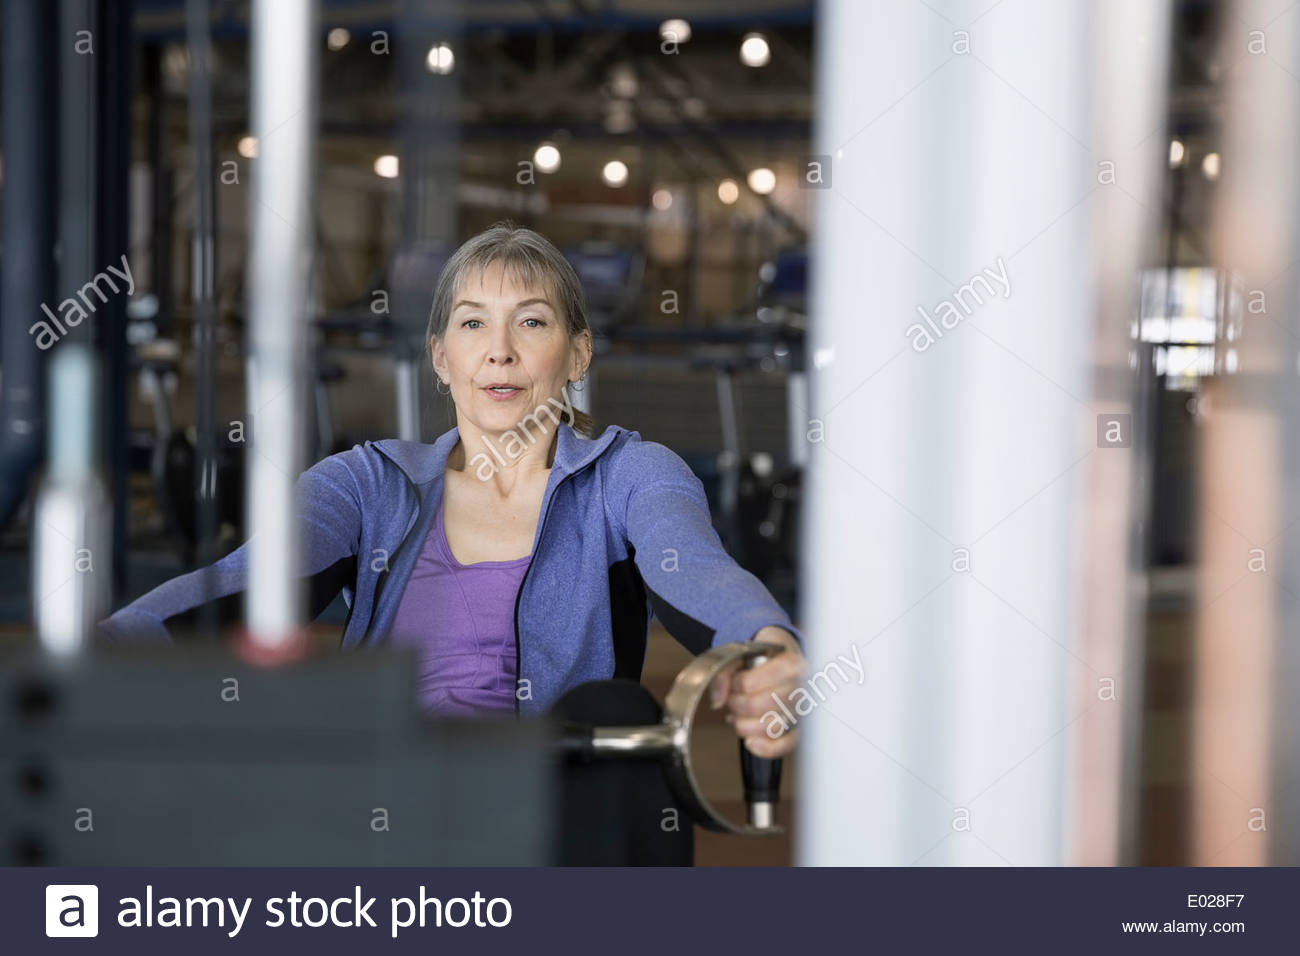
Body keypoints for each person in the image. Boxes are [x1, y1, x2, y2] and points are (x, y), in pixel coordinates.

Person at [98, 221, 807, 760]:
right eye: (473, 323)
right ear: (443, 358)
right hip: (379, 801)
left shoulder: (628, 475)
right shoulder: (368, 482)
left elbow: (697, 567)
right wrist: (96, 655)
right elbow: (242, 580)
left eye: (531, 321)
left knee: (619, 708)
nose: (499, 350)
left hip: (544, 804)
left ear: (578, 353)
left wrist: (766, 643)